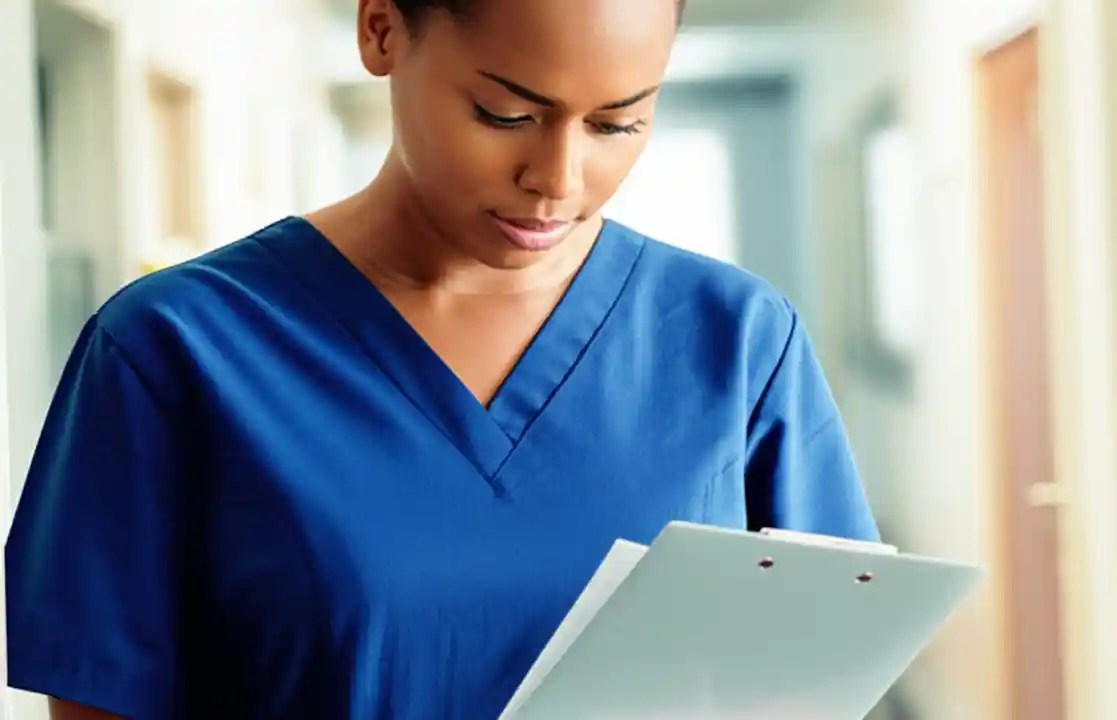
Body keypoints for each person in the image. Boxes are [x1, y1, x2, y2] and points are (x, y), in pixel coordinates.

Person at [5, 0, 879, 717]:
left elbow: (822, 668)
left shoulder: (738, 339)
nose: (558, 178)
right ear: (381, 29)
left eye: (619, 124)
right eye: (507, 114)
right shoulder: (174, 348)